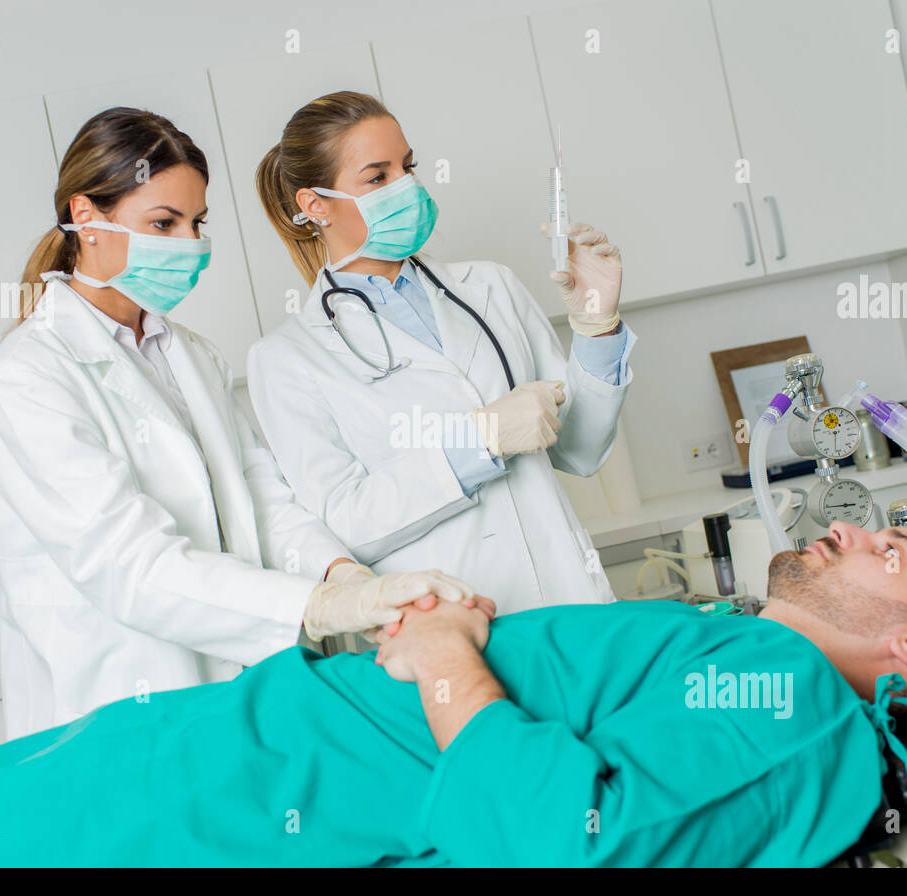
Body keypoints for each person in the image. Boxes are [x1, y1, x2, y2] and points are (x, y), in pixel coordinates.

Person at [0, 523, 907, 866]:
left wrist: (450, 656)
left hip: (214, 813)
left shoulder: (791, 700)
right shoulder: (733, 643)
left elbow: (557, 843)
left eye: (891, 554)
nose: (850, 528)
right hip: (187, 762)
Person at [0, 107, 472, 739]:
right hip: (116, 707)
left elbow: (264, 498)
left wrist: (343, 577)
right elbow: (128, 565)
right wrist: (315, 607)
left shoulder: (189, 355)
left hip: (232, 695)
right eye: (163, 222)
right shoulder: (31, 375)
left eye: (196, 222)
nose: (187, 243)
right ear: (85, 216)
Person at [248, 91, 636, 616]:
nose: (406, 187)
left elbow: (580, 452)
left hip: (572, 601)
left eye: (408, 167)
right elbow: (347, 524)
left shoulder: (489, 287)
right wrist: (480, 442)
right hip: (454, 623)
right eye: (377, 177)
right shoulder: (288, 358)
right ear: (315, 205)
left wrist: (597, 326)